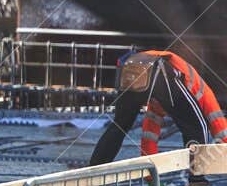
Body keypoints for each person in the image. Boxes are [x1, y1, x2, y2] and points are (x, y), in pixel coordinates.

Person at [88, 50, 227, 171]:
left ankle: (90, 180)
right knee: (197, 127)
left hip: (128, 68)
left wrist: (152, 181)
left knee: (119, 126)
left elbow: (149, 140)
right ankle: (198, 181)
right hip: (157, 68)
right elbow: (220, 129)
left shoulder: (157, 103)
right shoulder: (204, 93)